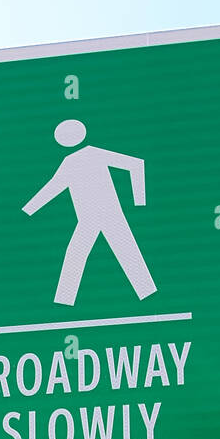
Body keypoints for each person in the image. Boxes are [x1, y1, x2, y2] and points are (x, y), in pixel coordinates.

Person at [23, 119, 156, 304]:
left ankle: (147, 292)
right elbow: (54, 187)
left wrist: (139, 200)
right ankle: (64, 300)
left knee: (124, 250)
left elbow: (136, 164)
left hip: (108, 213)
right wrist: (29, 209)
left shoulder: (91, 154)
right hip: (90, 217)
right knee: (80, 252)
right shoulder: (70, 162)